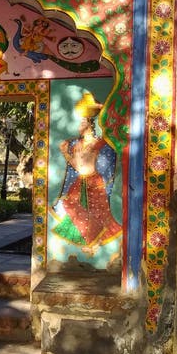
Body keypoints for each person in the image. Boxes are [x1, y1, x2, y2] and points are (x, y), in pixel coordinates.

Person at [52, 92, 122, 255]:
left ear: (90, 124)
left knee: (98, 213)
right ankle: (92, 240)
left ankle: (93, 243)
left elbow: (109, 149)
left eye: (82, 122)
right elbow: (77, 165)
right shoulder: (77, 144)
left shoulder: (98, 143)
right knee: (70, 205)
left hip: (94, 181)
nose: (79, 126)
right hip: (81, 181)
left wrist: (102, 108)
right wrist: (66, 153)